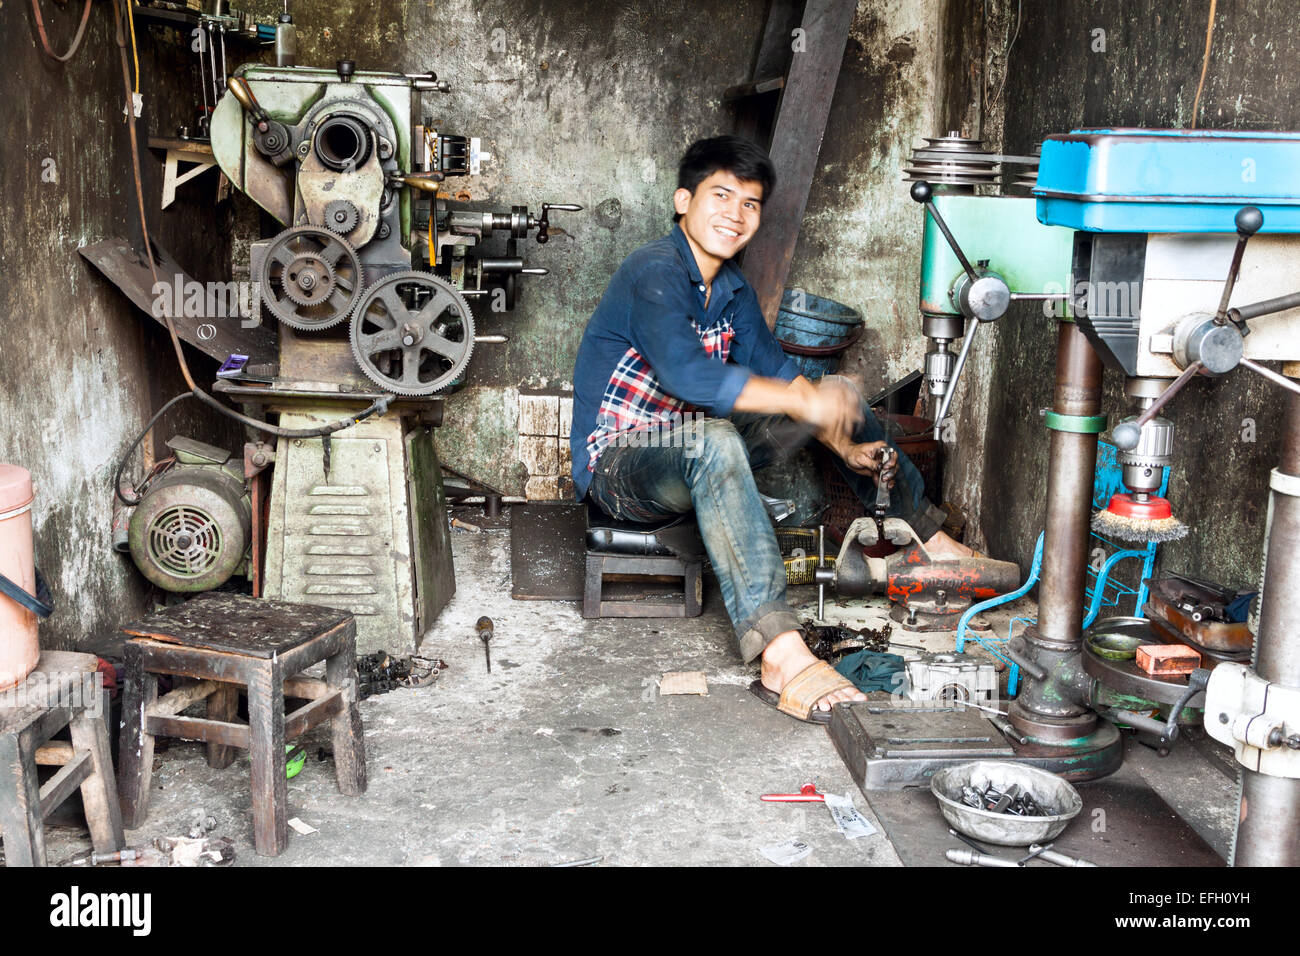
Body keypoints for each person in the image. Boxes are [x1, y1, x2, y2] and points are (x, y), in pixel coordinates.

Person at [569, 135, 979, 723]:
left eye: (751, 204)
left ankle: (931, 542)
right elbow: (690, 377)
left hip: (694, 452)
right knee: (721, 436)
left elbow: (783, 377)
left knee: (834, 393)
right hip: (620, 467)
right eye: (721, 195)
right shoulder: (653, 273)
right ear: (683, 200)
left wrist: (841, 434)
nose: (735, 215)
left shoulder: (731, 289)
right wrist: (802, 403)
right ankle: (780, 655)